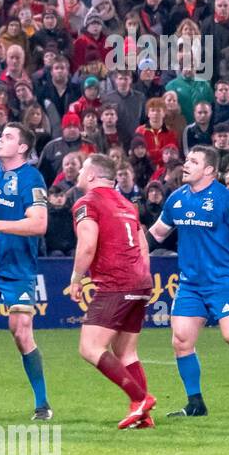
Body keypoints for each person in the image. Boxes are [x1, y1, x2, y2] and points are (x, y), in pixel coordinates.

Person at [147, 146, 229, 418]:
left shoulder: (228, 201)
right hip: (191, 284)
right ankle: (195, 403)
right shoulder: (176, 199)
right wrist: (129, 247)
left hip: (223, 281)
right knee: (181, 340)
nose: (186, 165)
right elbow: (156, 234)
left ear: (209, 170)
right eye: (187, 159)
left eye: (193, 161)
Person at [68, 154, 159, 429]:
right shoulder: (127, 204)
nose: (80, 173)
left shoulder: (87, 203)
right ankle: (143, 417)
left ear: (93, 175)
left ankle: (140, 399)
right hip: (140, 282)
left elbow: (86, 245)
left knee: (90, 347)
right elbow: (143, 244)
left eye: (83, 169)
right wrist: (139, 273)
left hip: (116, 283)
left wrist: (75, 279)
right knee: (126, 352)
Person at [0, 122, 53, 420]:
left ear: (23, 147)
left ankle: (42, 404)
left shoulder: (31, 179)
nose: (1, 140)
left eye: (9, 137)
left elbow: (39, 224)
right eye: (1, 136)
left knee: (21, 332)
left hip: (17, 268)